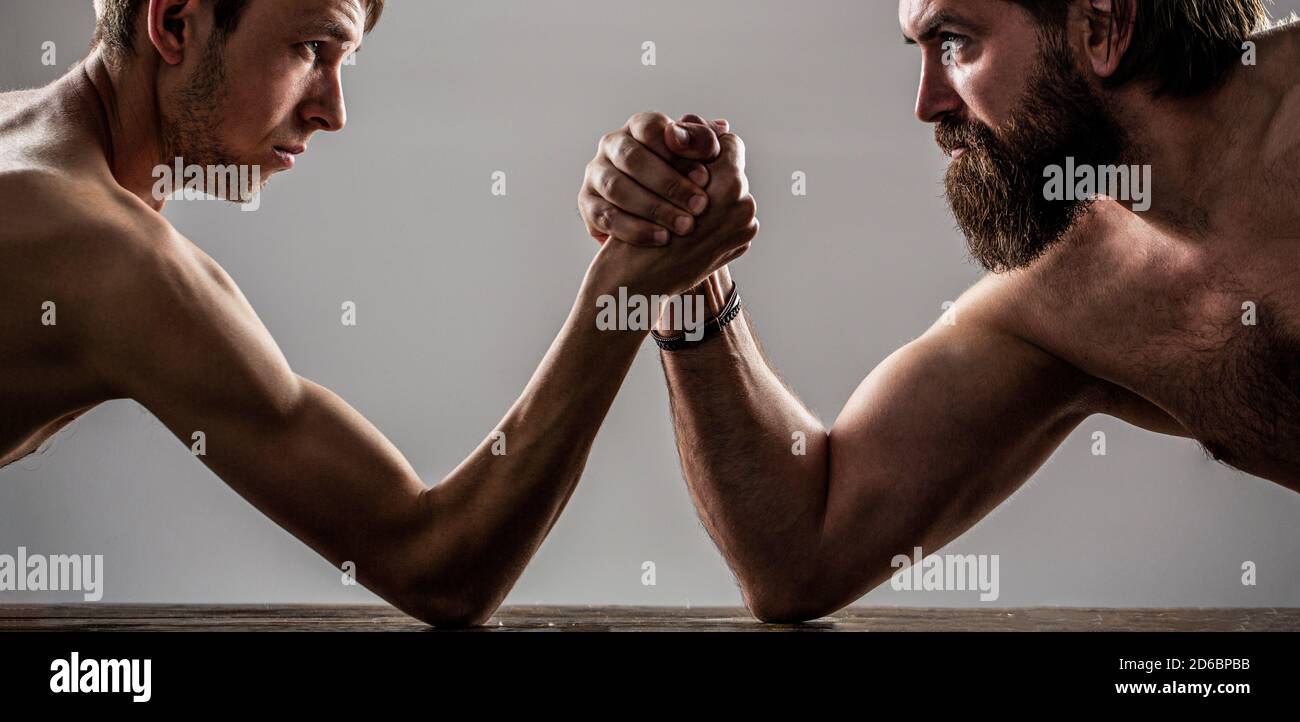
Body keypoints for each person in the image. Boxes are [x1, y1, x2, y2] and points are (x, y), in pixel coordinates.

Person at [0, 0, 756, 626]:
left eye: (344, 61)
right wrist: (624, 287)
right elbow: (440, 567)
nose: (333, 111)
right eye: (309, 49)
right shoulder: (109, 258)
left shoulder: (31, 156)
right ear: (174, 25)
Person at [579, 0, 1300, 622]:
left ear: (1103, 25)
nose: (927, 104)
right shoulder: (1064, 295)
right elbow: (801, 555)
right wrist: (684, 264)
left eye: (954, 42)